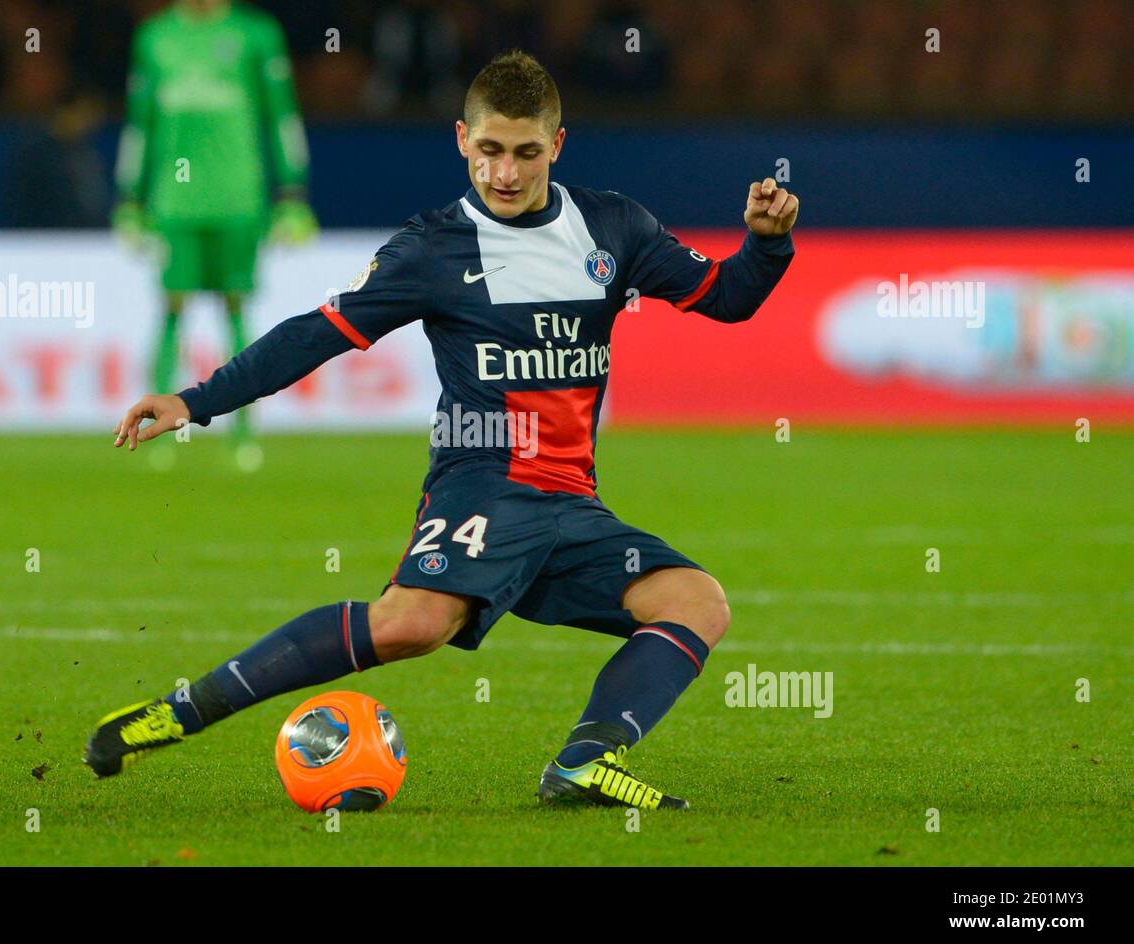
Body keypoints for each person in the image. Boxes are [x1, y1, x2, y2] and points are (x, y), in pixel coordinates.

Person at [87, 51, 799, 809]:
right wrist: (197, 401)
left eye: (527, 152)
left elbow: (726, 299)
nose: (506, 172)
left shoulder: (614, 228)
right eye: (490, 150)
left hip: (572, 502)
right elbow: (314, 334)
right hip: (483, 483)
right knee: (412, 624)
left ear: (557, 146)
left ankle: (586, 762)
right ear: (463, 139)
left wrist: (766, 243)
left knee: (696, 602)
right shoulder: (431, 249)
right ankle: (180, 711)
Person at [113, 0, 318, 472]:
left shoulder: (256, 34)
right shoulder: (155, 38)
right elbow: (139, 124)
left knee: (236, 306)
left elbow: (282, 118)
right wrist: (130, 198)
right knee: (172, 305)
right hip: (175, 202)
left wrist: (292, 194)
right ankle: (155, 433)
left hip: (238, 199)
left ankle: (244, 435)